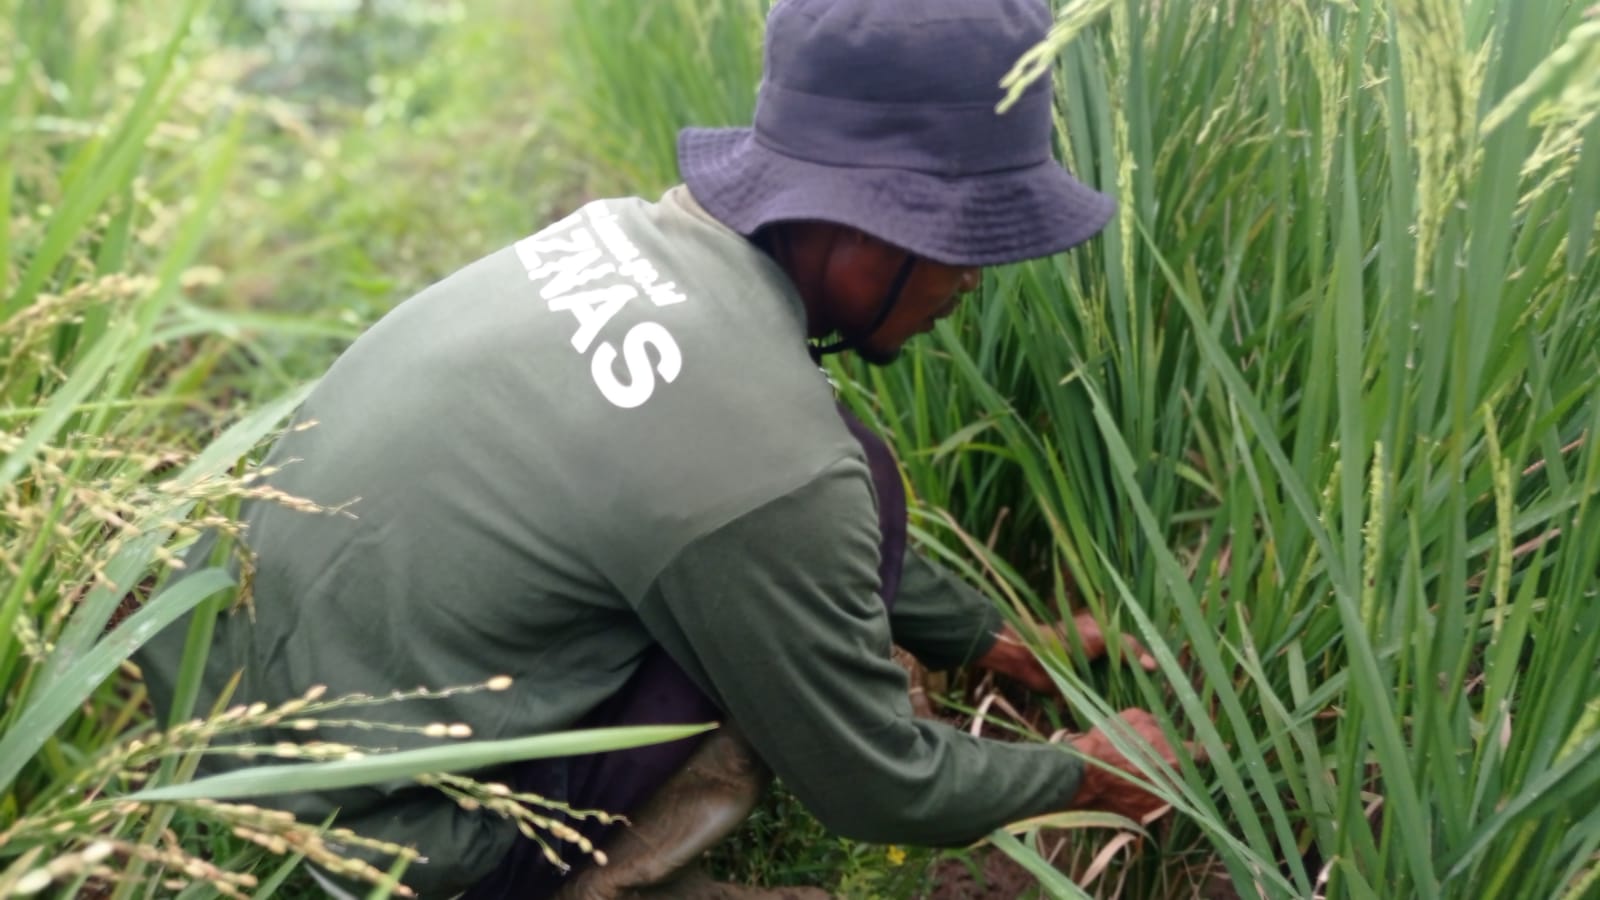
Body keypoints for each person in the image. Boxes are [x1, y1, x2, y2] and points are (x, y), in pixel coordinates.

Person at [136, 0, 1187, 896]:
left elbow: (752, 498)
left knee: (818, 488)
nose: (970, 285)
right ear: (864, 228)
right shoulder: (768, 461)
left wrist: (998, 641)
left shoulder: (627, 239)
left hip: (210, 703)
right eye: (963, 244)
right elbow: (880, 785)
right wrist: (1084, 773)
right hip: (377, 843)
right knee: (789, 558)